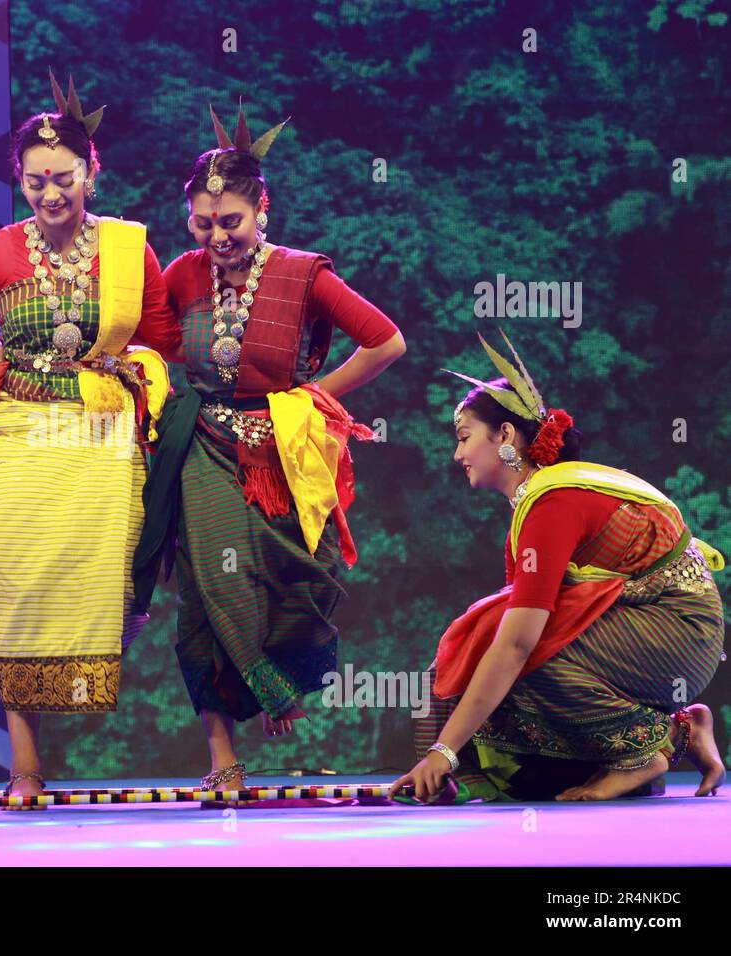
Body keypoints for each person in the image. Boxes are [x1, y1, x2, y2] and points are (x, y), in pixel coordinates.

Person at [0, 73, 179, 806]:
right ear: (20, 181)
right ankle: (24, 763)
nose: (52, 195)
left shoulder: (127, 250)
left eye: (65, 178)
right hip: (22, 434)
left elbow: (163, 343)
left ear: (92, 173)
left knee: (102, 582)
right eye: (37, 181)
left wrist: (137, 370)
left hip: (101, 438)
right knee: (4, 580)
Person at [135, 103, 406, 796]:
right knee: (204, 588)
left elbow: (386, 340)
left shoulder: (302, 274)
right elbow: (148, 345)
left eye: (231, 222)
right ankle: (225, 758)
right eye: (203, 223)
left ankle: (276, 673)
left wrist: (318, 397)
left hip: (282, 454)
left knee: (290, 582)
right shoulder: (182, 274)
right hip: (199, 445)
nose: (217, 237)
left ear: (262, 210)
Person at [389, 331, 725, 803]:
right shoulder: (539, 502)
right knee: (476, 648)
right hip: (643, 632)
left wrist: (445, 750)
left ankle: (652, 749)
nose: (457, 454)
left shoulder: (553, 503)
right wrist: (439, 753)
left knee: (513, 650)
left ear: (505, 436)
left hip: (677, 632)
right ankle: (684, 731)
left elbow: (518, 642)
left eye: (465, 438)